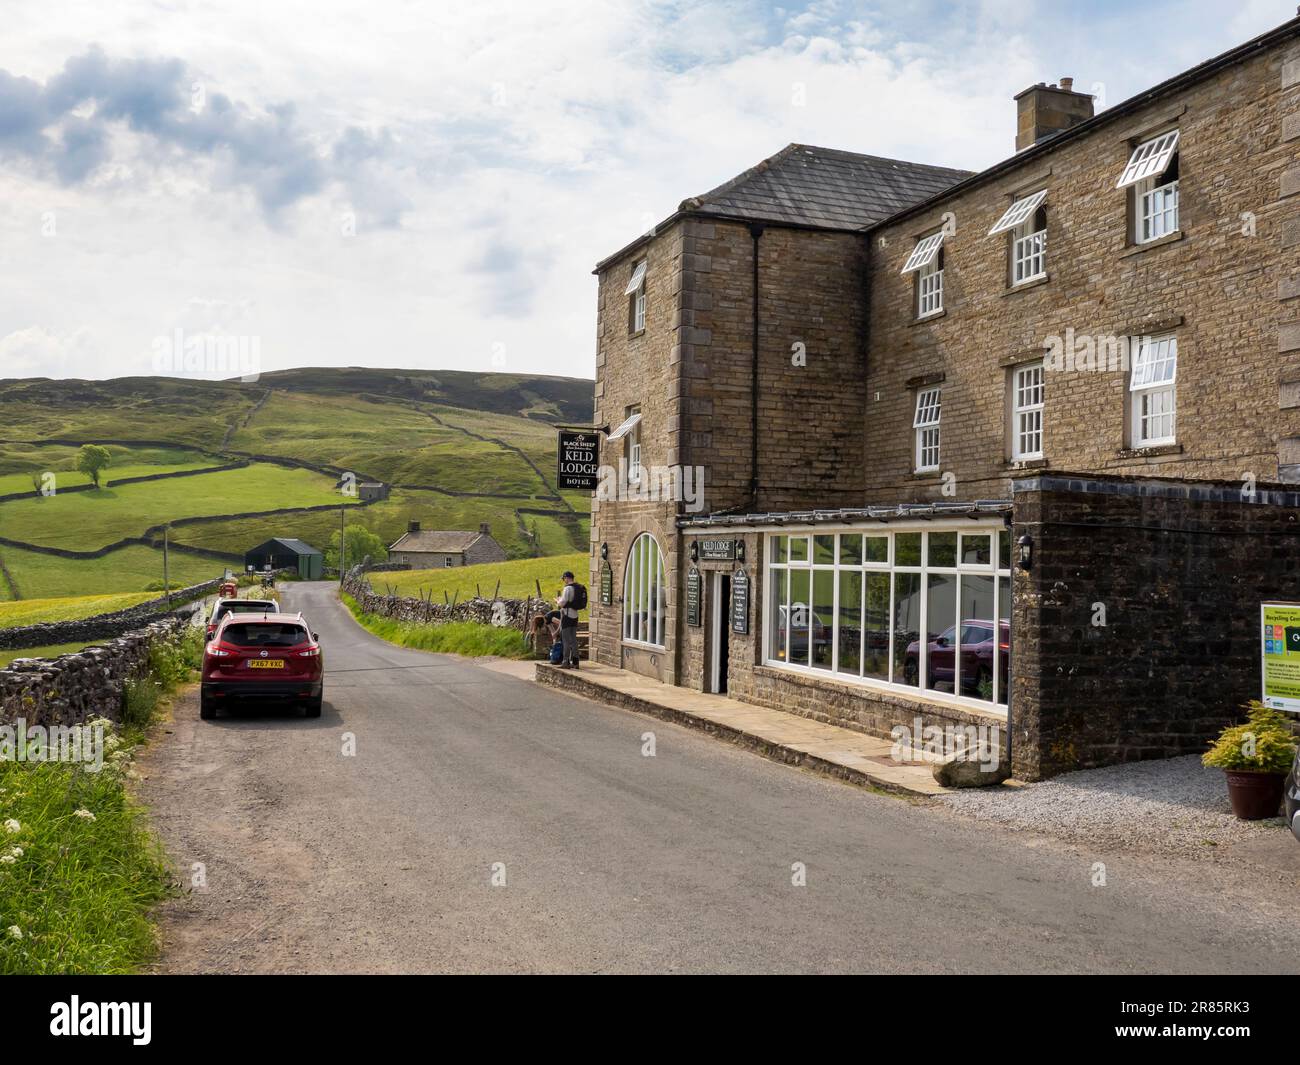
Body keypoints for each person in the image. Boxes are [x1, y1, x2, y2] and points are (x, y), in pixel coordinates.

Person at [555, 571, 580, 668]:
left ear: (567, 578)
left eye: (564, 578)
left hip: (567, 615)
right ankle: (576, 662)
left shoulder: (567, 588)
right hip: (575, 616)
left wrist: (557, 601)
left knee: (565, 640)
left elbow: (563, 603)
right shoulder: (577, 587)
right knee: (573, 639)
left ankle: (565, 662)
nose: (563, 580)